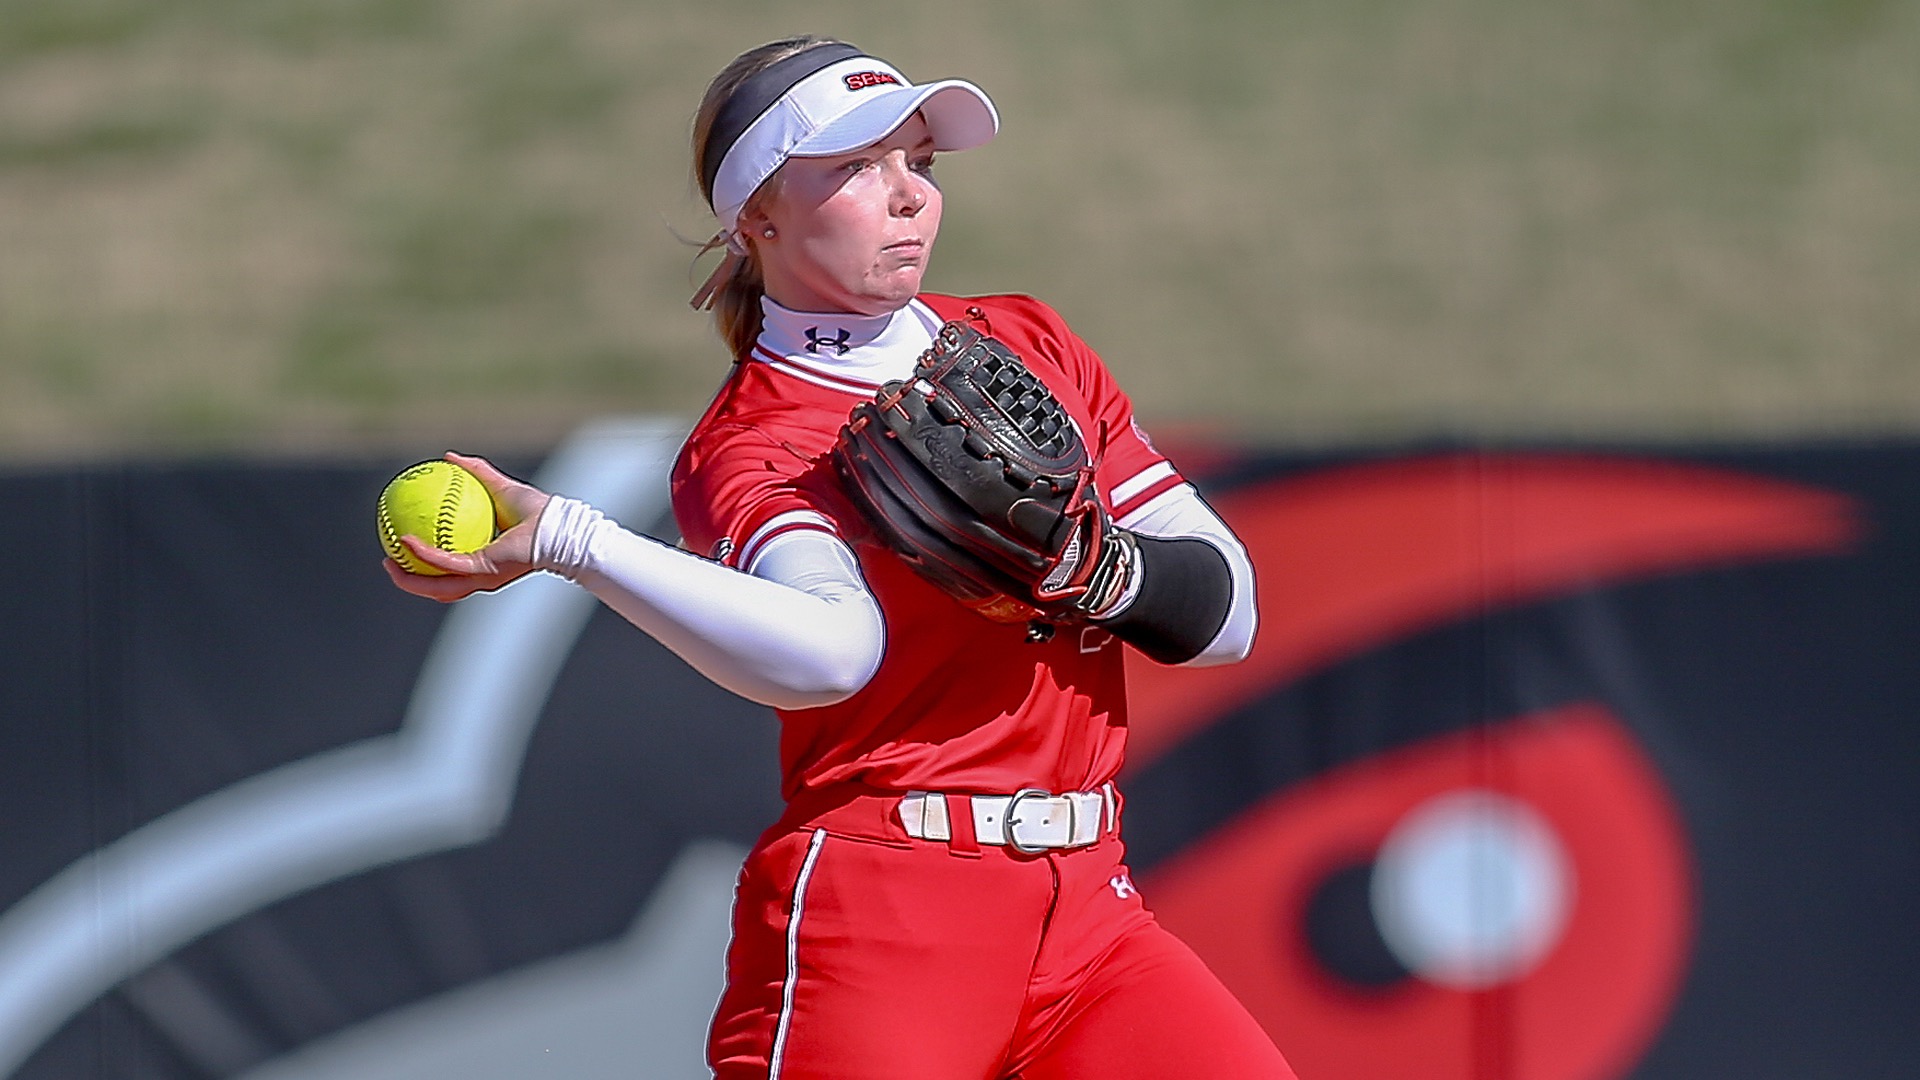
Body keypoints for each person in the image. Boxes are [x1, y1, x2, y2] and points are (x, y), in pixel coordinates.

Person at [386, 35, 1296, 1080]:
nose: (909, 194)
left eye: (921, 162)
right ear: (757, 217)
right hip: (888, 915)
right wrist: (570, 539)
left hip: (1093, 909)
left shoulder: (1028, 343)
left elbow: (1229, 615)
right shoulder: (754, 440)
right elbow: (831, 656)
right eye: (857, 167)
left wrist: (1100, 569)